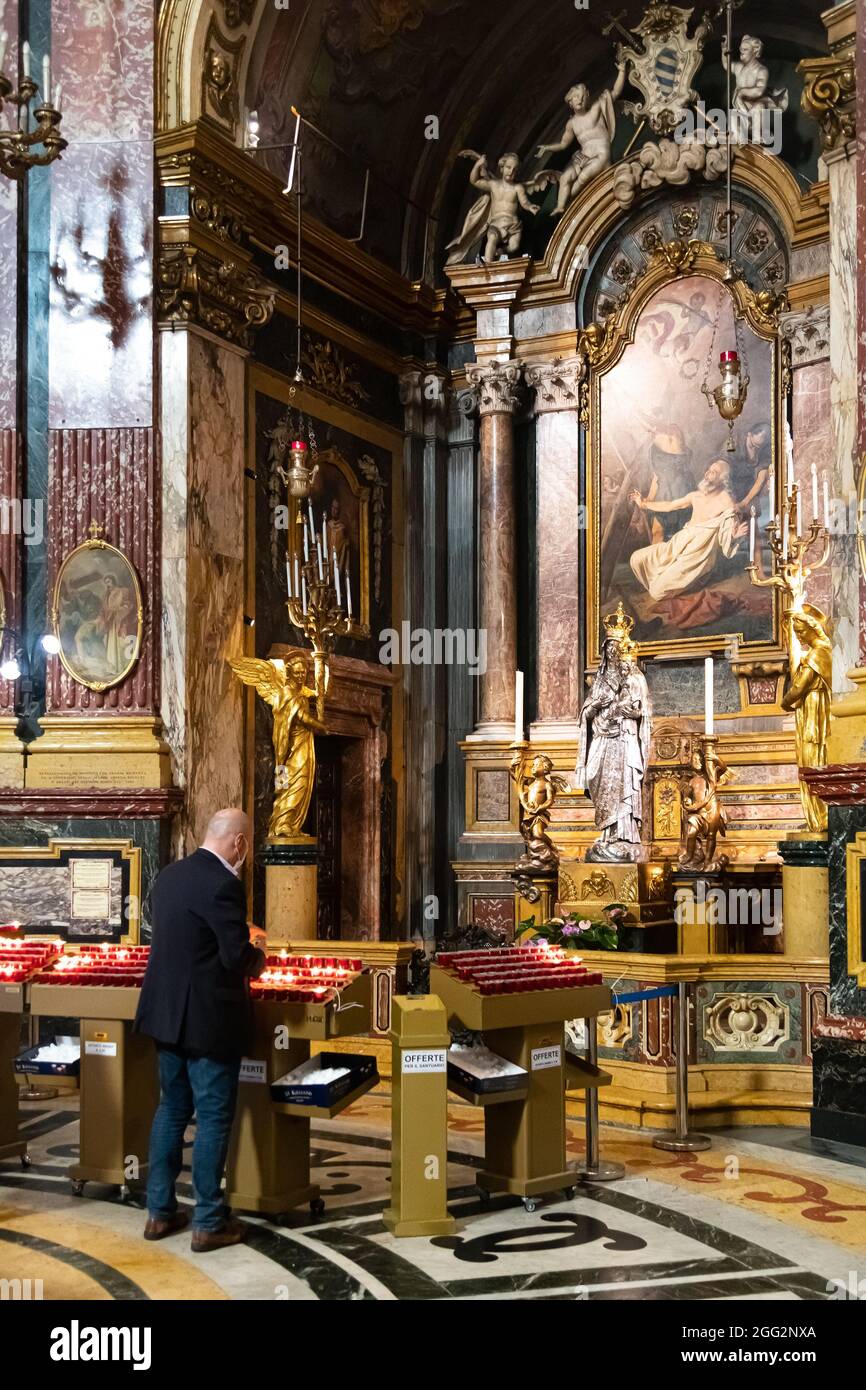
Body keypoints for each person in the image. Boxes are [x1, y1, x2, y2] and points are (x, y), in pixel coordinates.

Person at [134, 808, 266, 1252]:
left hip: (165, 1016)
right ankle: (209, 1221)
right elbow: (234, 956)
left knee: (171, 1109)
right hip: (208, 1023)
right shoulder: (223, 884)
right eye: (248, 845)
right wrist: (259, 952)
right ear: (240, 843)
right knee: (212, 1118)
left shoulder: (169, 875)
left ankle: (159, 1212)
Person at [628, 459, 748, 602]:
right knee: (636, 558)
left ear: (723, 480)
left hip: (698, 555)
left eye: (714, 472)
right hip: (679, 544)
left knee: (656, 592)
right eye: (708, 470)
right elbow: (670, 505)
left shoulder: (726, 502)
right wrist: (644, 504)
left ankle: (690, 581)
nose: (707, 474)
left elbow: (728, 534)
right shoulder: (696, 495)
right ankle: (668, 578)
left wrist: (734, 536)